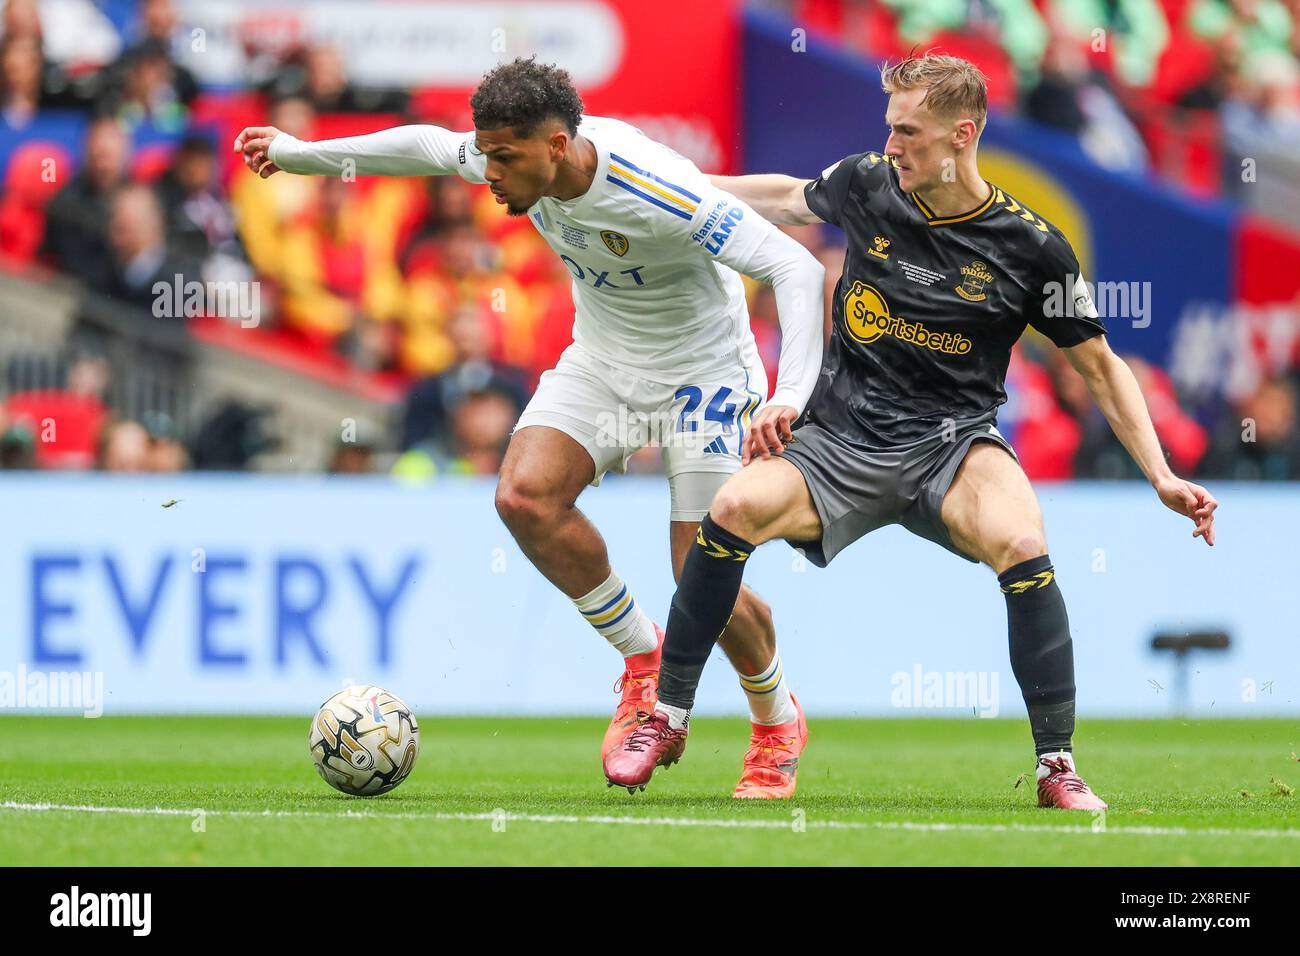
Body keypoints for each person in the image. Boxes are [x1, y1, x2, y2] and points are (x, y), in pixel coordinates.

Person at [604, 54, 1219, 810]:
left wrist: (1159, 474)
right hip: (839, 442)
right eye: (890, 127)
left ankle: (1057, 766)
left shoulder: (1032, 248)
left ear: (962, 136)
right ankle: (665, 717)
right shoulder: (869, 183)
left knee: (1024, 544)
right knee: (730, 511)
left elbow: (1100, 366)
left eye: (908, 132)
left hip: (953, 446)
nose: (891, 145)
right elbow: (785, 199)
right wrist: (672, 193)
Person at [233, 57, 827, 797]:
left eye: (503, 158)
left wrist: (789, 395)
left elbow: (795, 270)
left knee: (697, 572)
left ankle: (775, 723)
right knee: (524, 495)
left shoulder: (652, 187)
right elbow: (422, 147)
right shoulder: (507, 155)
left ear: (557, 143)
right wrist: (301, 157)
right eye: (483, 154)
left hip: (701, 376)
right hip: (604, 359)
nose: (488, 173)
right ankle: (645, 663)